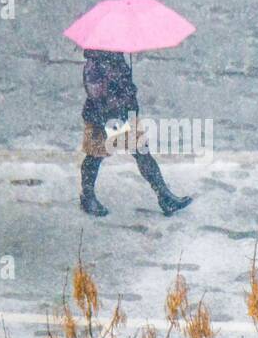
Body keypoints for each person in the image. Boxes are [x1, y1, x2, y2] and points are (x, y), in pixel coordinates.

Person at [79, 49, 192, 217]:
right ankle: (87, 197)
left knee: (142, 153)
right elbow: (96, 93)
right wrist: (115, 105)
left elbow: (122, 86)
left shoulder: (116, 57)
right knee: (95, 156)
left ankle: (164, 196)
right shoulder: (94, 64)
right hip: (102, 117)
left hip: (124, 115)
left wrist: (129, 93)